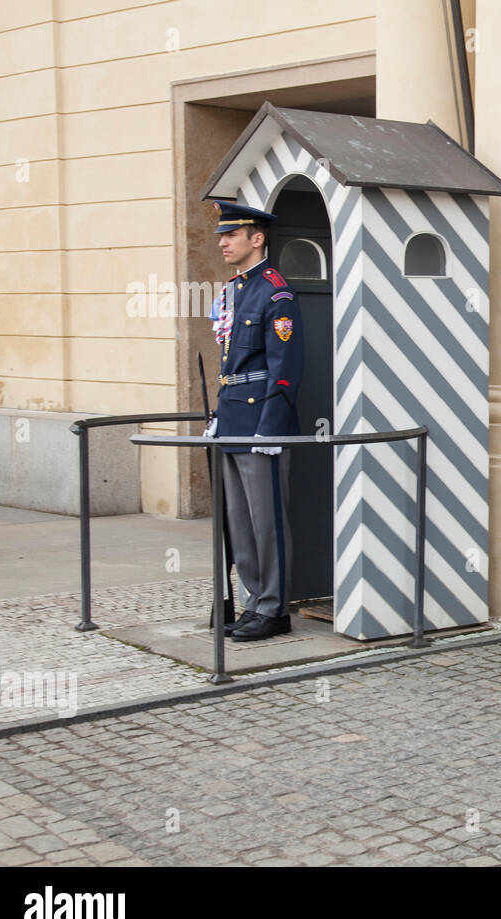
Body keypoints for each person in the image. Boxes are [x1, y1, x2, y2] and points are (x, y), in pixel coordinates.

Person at [205, 200, 304, 642]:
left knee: (267, 521)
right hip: (232, 417)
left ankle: (274, 608)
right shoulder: (232, 291)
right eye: (222, 236)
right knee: (241, 521)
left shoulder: (275, 292)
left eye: (231, 234)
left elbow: (286, 367)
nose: (223, 242)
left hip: (261, 418)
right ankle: (253, 602)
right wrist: (218, 418)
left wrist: (270, 427)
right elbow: (229, 361)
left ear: (256, 238)